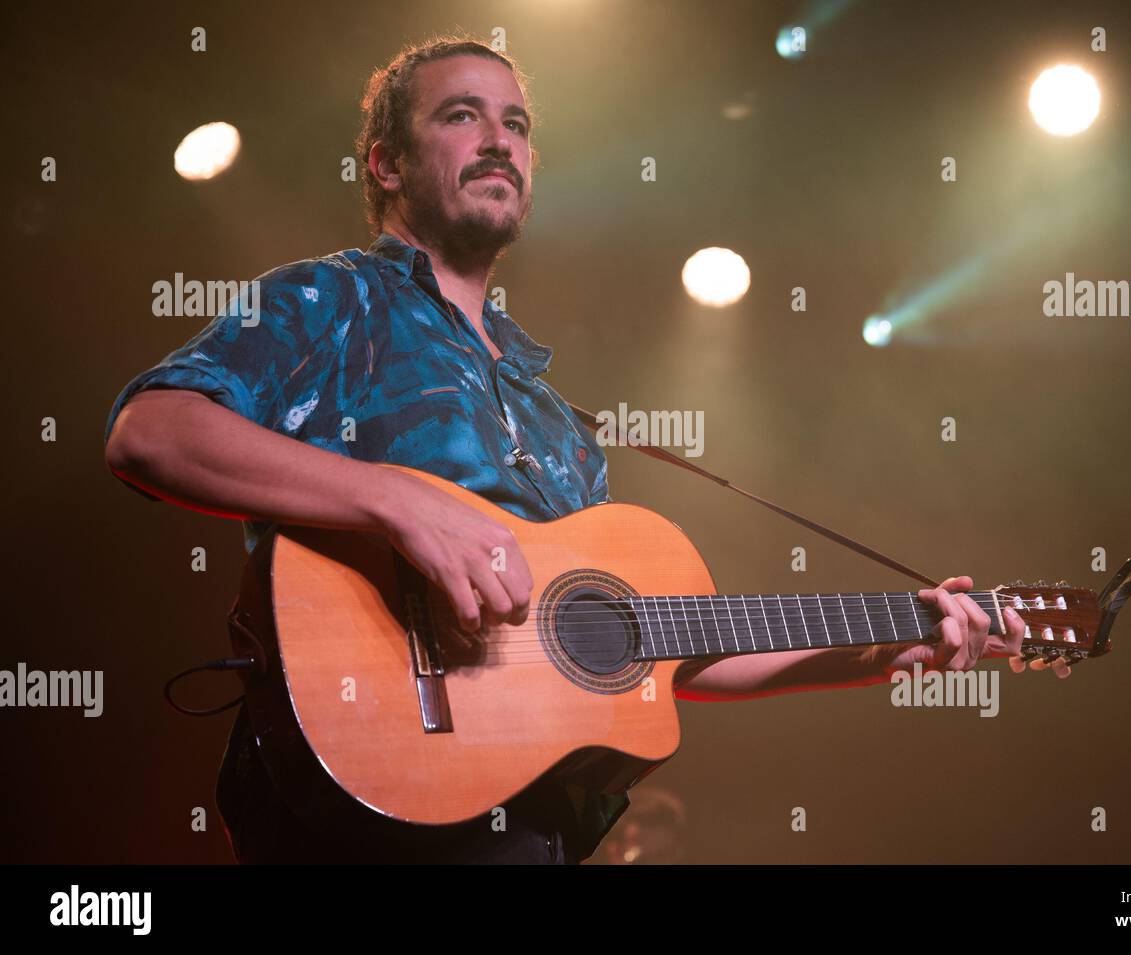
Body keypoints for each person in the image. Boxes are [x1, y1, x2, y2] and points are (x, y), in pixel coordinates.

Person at [104, 35, 1060, 865]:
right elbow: (152, 432)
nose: (499, 141)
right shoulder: (334, 298)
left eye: (517, 125)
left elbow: (665, 655)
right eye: (464, 117)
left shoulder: (555, 417)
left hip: (526, 822)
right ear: (387, 164)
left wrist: (897, 639)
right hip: (363, 795)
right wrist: (396, 500)